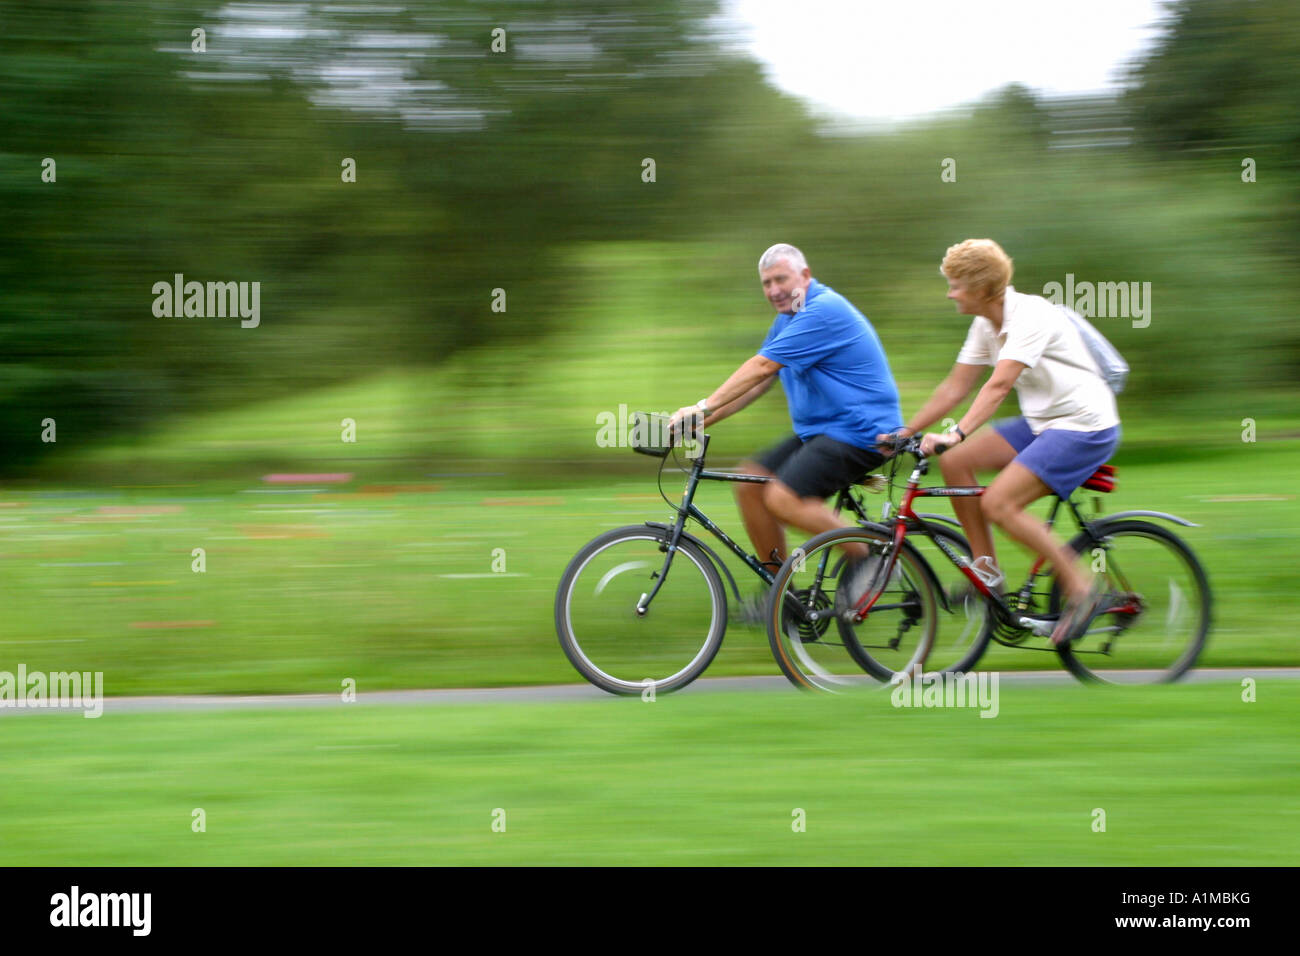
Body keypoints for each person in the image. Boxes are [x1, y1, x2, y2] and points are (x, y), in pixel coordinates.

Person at [879, 238, 1121, 645]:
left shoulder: (1030, 316)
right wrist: (906, 432)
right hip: (1043, 422)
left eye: (956, 284)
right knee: (956, 463)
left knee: (999, 503)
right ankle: (986, 574)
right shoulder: (984, 325)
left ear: (981, 289)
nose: (949, 292)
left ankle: (1083, 590)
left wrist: (955, 433)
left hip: (1084, 424)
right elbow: (954, 388)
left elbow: (998, 385)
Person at [668, 243, 904, 618]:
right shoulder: (788, 319)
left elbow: (760, 368)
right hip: (823, 432)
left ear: (805, 276)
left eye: (781, 279)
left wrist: (701, 406)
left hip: (862, 433)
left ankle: (869, 555)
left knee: (782, 498)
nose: (774, 289)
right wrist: (696, 422)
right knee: (749, 482)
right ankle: (784, 597)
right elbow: (759, 384)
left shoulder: (822, 311)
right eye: (766, 283)